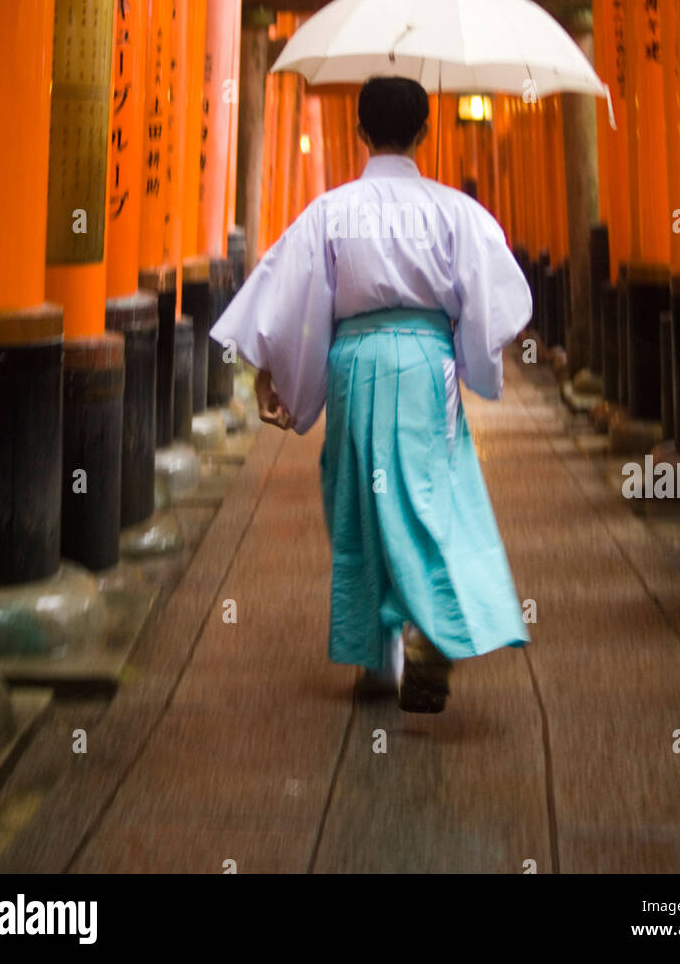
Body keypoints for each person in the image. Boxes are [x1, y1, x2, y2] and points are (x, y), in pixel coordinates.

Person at [211, 75, 533, 713]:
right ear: (424, 132)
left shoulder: (331, 212)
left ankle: (379, 660)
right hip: (425, 364)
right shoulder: (454, 211)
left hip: (355, 363)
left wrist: (276, 376)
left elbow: (294, 301)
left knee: (361, 501)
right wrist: (469, 356)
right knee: (431, 499)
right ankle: (436, 626)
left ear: (360, 131)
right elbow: (494, 298)